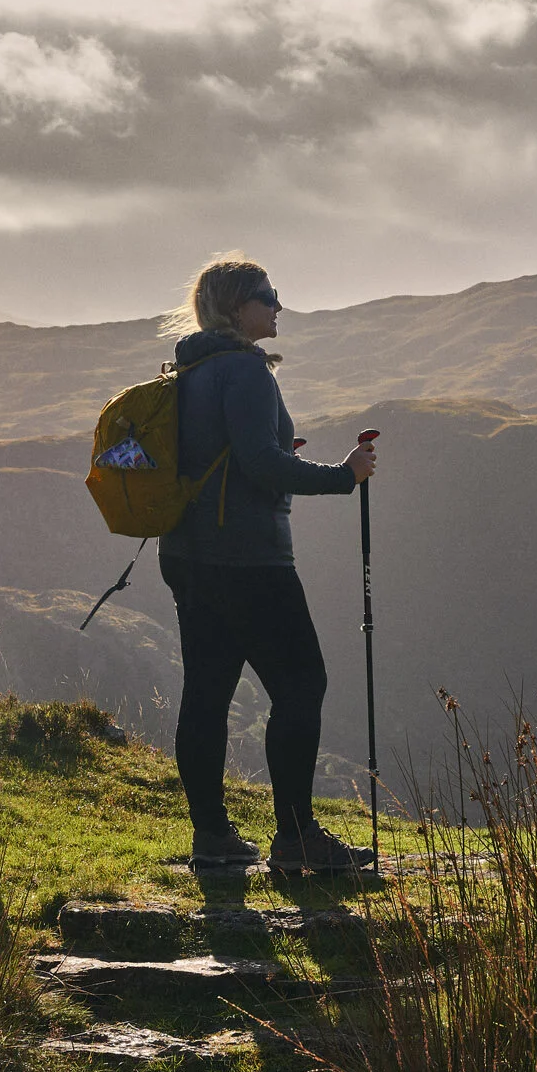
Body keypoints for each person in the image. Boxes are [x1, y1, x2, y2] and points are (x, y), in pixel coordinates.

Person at [157, 252, 379, 873]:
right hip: (250, 559)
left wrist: (277, 455)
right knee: (302, 682)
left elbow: (230, 456)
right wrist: (344, 476)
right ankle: (297, 838)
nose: (279, 304)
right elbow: (259, 463)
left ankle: (213, 837)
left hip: (188, 555)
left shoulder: (191, 372)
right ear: (237, 307)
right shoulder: (248, 374)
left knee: (206, 692)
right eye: (269, 294)